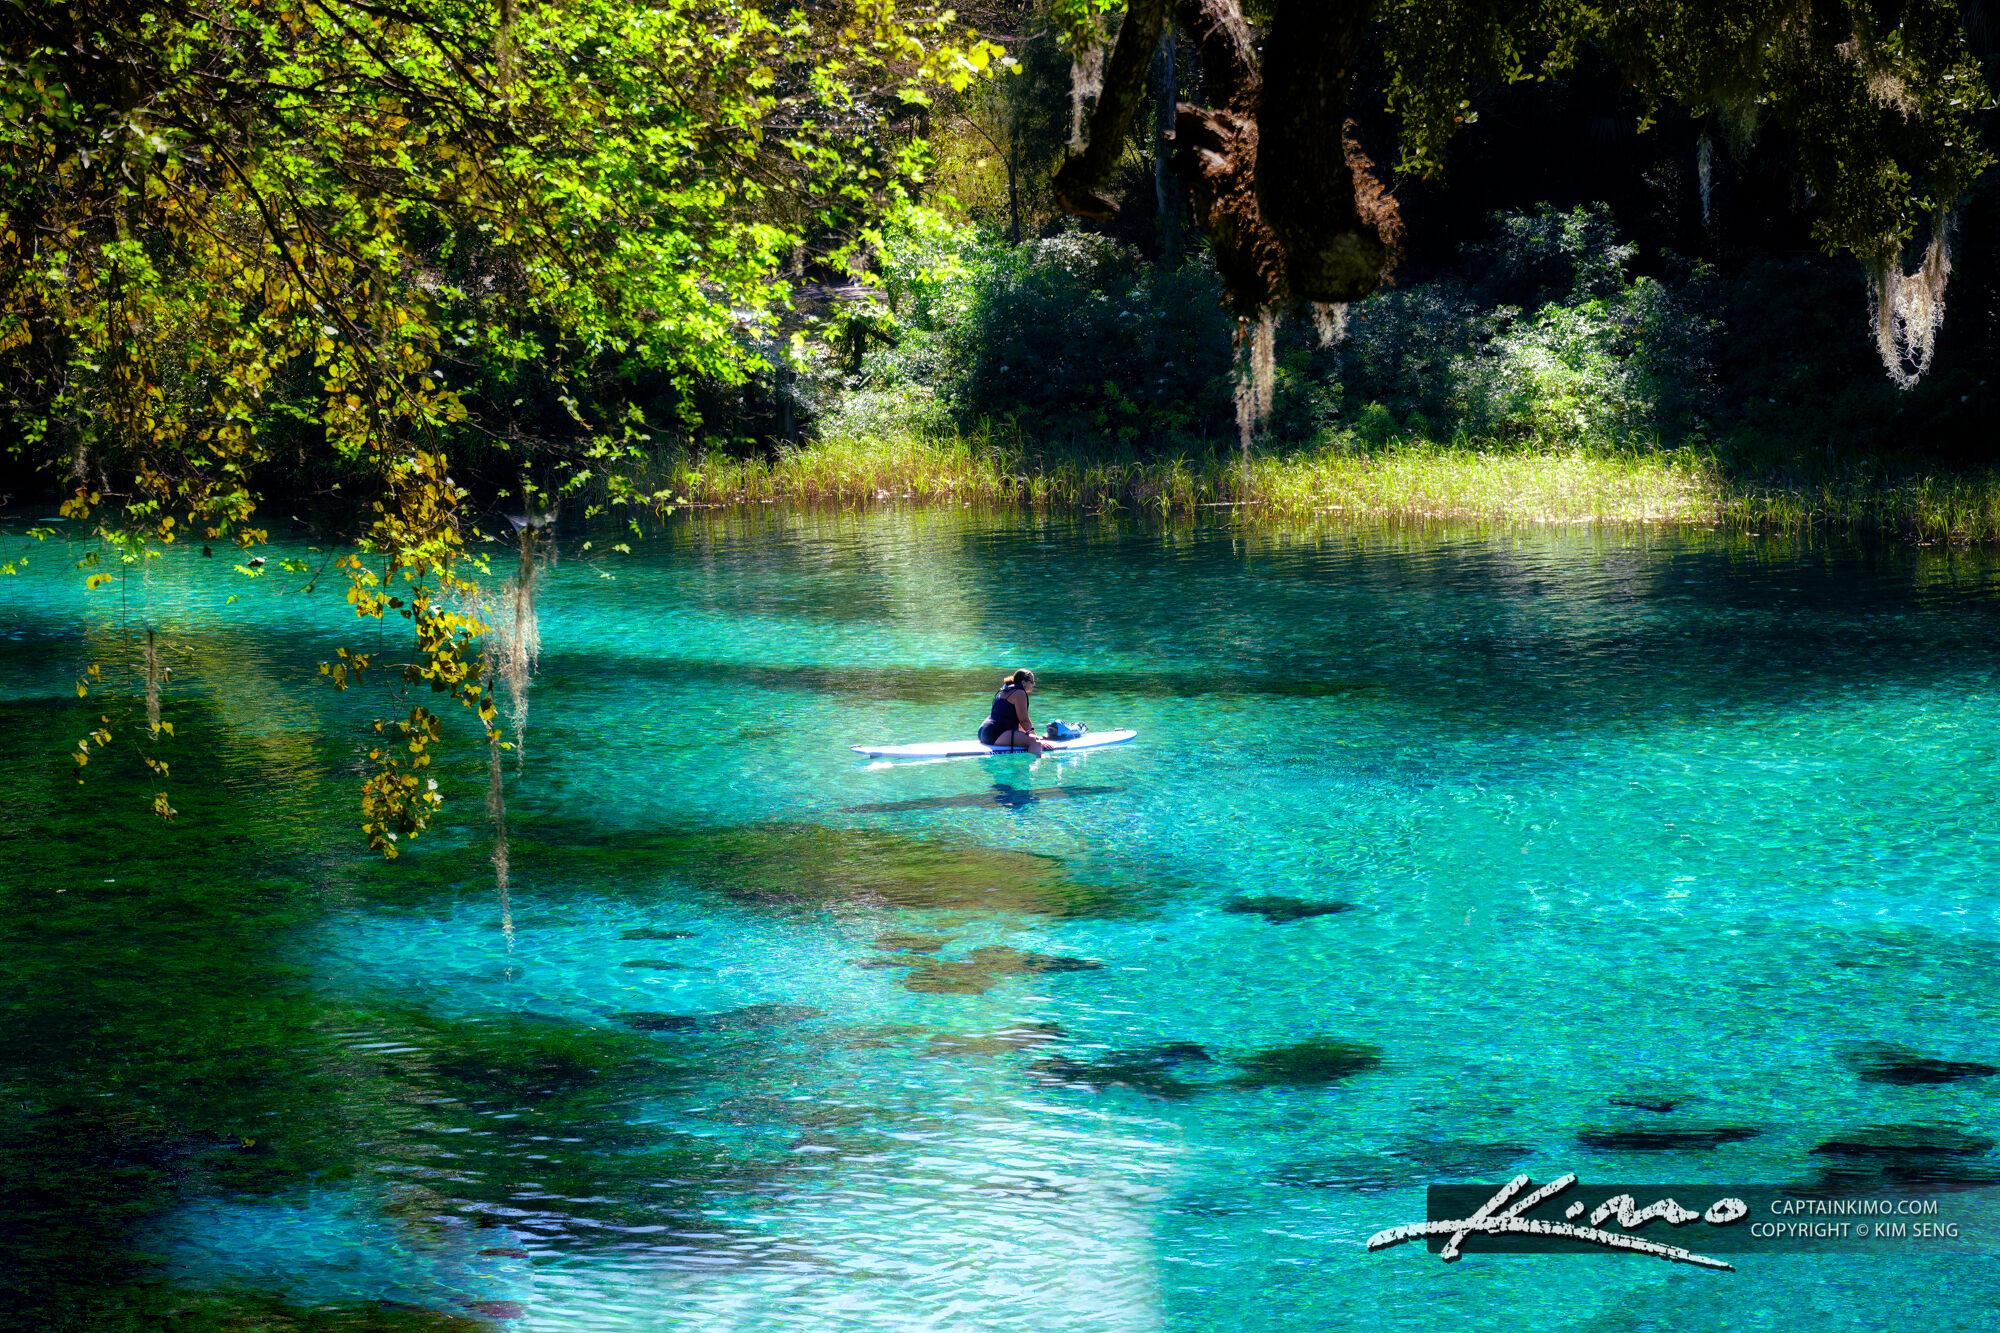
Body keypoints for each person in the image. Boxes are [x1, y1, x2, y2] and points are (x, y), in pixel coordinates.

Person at [978, 668, 1047, 754]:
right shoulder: (1019, 693)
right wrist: (1037, 739)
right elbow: (1024, 721)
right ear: (1023, 682)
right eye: (1032, 682)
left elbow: (1021, 723)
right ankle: (1037, 765)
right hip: (995, 733)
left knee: (1033, 739)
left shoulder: (1007, 689)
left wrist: (1031, 736)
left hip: (984, 731)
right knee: (1035, 743)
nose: (1034, 684)